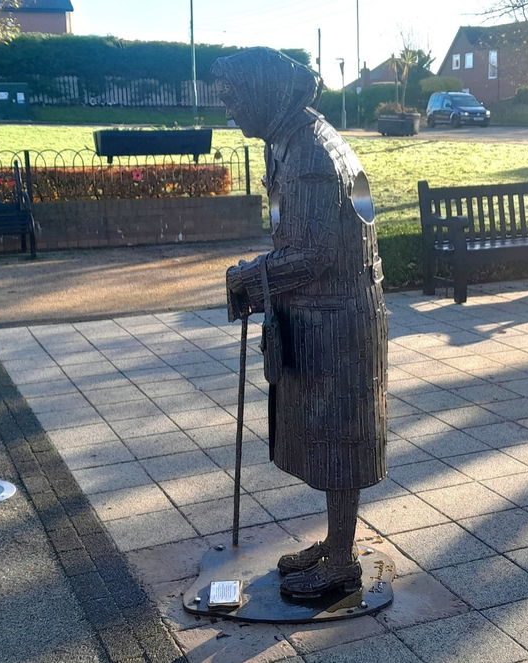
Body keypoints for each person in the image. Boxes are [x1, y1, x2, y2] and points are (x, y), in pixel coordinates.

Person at [212, 47, 388, 599]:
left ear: (265, 91)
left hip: (336, 320)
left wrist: (248, 278)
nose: (230, 111)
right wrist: (263, 281)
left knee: (337, 433)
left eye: (235, 98)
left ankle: (340, 562)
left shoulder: (309, 155)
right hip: (322, 311)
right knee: (320, 430)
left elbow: (313, 256)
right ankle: (337, 543)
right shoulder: (290, 138)